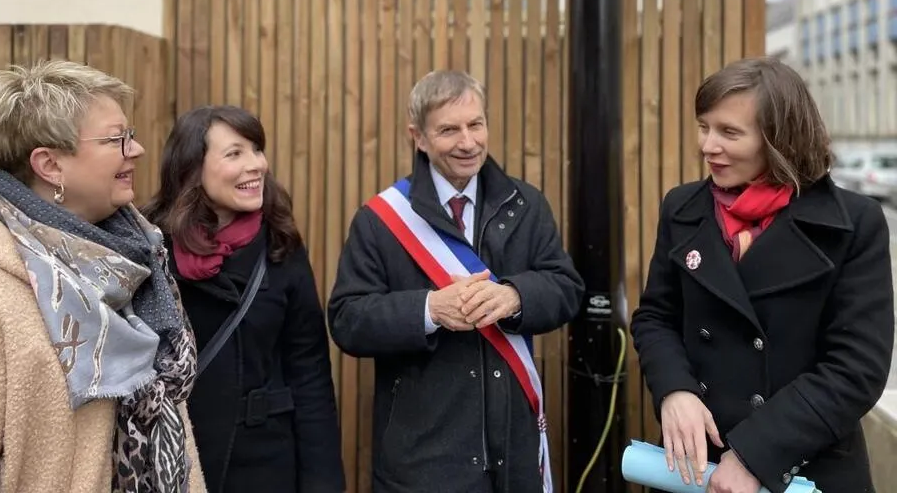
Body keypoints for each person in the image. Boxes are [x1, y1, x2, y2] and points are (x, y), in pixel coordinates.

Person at [0, 60, 207, 493]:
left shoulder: (127, 264)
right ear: (50, 165)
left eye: (132, 135)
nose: (136, 150)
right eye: (116, 139)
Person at [630, 57, 894, 493]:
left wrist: (757, 452)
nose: (708, 146)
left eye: (729, 133)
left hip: (805, 469)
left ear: (780, 139)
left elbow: (856, 367)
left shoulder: (855, 224)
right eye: (704, 127)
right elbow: (656, 317)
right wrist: (675, 391)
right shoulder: (682, 208)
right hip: (698, 471)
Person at [327, 69, 585, 493]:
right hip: (423, 464)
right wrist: (429, 310)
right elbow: (347, 319)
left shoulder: (526, 204)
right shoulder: (380, 221)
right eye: (449, 130)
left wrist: (516, 297)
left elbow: (566, 287)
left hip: (514, 455)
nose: (467, 142)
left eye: (475, 125)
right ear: (419, 137)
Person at [142, 105, 345, 493]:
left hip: (265, 463)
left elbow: (310, 374)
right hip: (176, 461)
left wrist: (323, 482)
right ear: (192, 168)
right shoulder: (151, 248)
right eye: (235, 153)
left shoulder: (280, 246)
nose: (256, 165)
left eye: (257, 149)